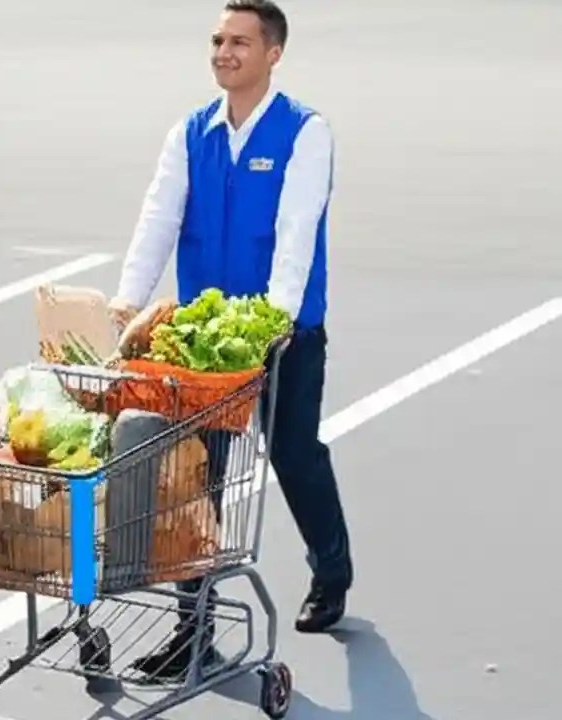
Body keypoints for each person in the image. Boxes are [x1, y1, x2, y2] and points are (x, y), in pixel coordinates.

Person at [111, 0, 354, 678]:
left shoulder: (305, 133)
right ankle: (194, 630)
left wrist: (271, 325)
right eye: (218, 40)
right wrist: (130, 297)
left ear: (272, 53)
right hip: (203, 349)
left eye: (240, 42)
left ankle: (331, 570)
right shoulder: (191, 133)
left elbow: (295, 234)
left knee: (293, 454)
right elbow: (159, 216)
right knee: (200, 476)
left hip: (284, 338)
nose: (224, 52)